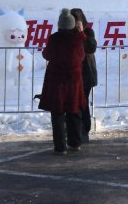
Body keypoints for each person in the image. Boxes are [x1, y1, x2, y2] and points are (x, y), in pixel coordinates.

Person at [38, 8, 86, 155]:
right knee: (74, 111)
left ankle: (60, 147)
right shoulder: (79, 39)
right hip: (74, 81)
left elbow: (47, 54)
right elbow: (82, 57)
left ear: (59, 24)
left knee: (58, 114)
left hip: (56, 81)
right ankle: (75, 143)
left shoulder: (54, 38)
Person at [70, 8, 97, 143]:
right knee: (72, 103)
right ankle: (73, 131)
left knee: (83, 102)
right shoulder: (68, 33)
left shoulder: (88, 32)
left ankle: (84, 130)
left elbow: (91, 48)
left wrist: (81, 33)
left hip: (86, 75)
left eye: (76, 20)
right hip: (71, 75)